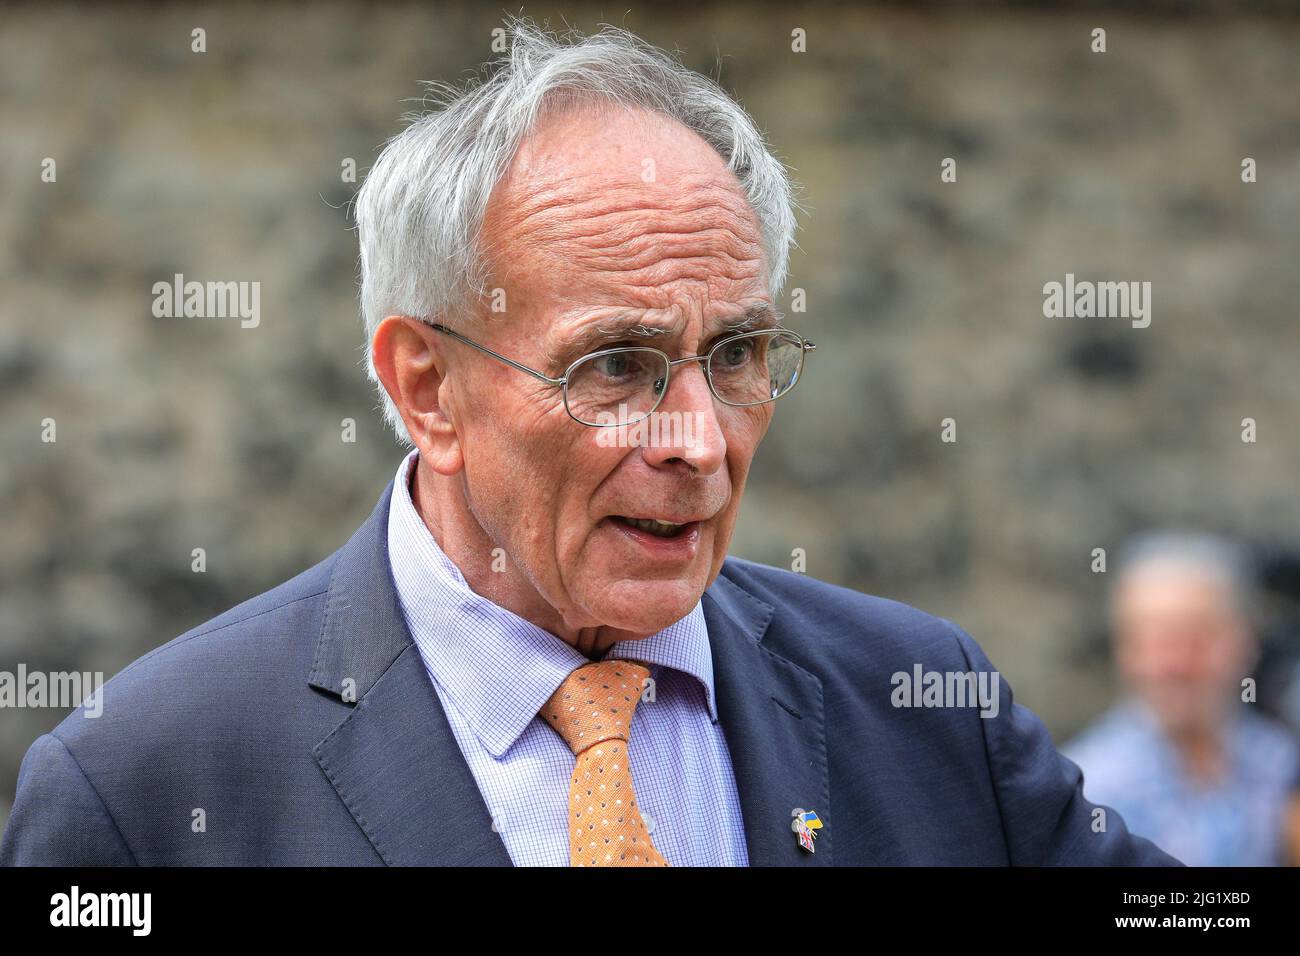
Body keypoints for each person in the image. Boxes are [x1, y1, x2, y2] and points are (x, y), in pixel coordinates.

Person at [1, 19, 1179, 867]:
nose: (698, 442)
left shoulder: (918, 702)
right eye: (614, 364)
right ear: (427, 388)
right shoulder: (146, 785)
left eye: (736, 355)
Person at [1063, 532, 1299, 866]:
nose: (1176, 665)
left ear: (1246, 640)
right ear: (1124, 650)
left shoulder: (1281, 763)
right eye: (1155, 641)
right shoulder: (1086, 790)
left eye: (1197, 639)